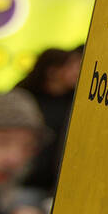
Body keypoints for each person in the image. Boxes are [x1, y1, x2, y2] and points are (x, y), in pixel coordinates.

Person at [14, 45, 83, 196]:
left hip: (53, 187)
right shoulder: (22, 99)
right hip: (23, 182)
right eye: (71, 66)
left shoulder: (75, 102)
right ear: (52, 71)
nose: (77, 71)